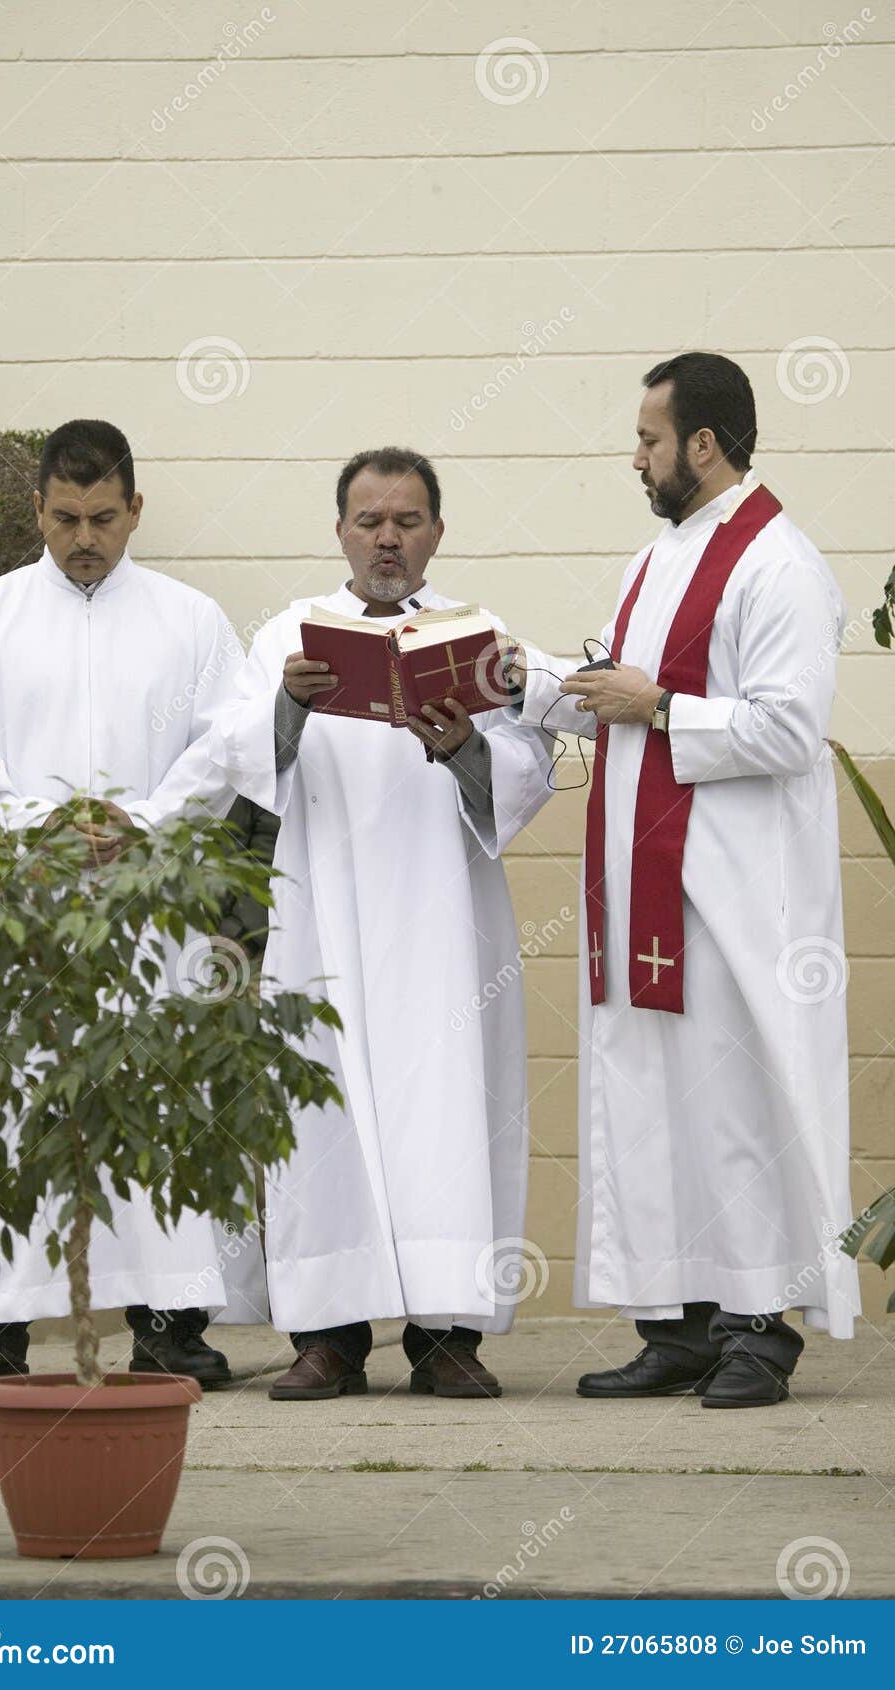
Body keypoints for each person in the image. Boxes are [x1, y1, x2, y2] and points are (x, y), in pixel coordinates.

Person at [508, 353, 859, 1408]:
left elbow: (789, 729)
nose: (636, 456)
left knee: (736, 1104)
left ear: (702, 444)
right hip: (647, 884)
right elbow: (626, 698)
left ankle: (761, 1325)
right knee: (655, 1099)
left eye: (649, 439)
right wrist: (520, 682)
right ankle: (679, 1321)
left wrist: (657, 706)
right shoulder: (654, 558)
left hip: (737, 892)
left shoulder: (778, 565)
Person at [0, 418, 265, 1391]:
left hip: (150, 905)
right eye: (65, 517)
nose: (84, 536)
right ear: (36, 508)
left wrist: (141, 825)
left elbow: (226, 744)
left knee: (155, 1098)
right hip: (18, 910)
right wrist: (49, 830)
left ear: (134, 509)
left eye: (103, 517)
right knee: (10, 1104)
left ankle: (169, 1320)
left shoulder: (190, 620)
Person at [209, 447, 554, 1400]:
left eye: (407, 521)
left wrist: (463, 746)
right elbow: (233, 754)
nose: (388, 538)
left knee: (448, 1112)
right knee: (322, 1114)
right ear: (341, 532)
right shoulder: (288, 632)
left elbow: (531, 769)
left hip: (446, 921)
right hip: (320, 913)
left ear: (437, 533)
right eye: (370, 521)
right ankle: (327, 1336)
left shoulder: (479, 634)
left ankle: (446, 1337)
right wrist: (288, 701)